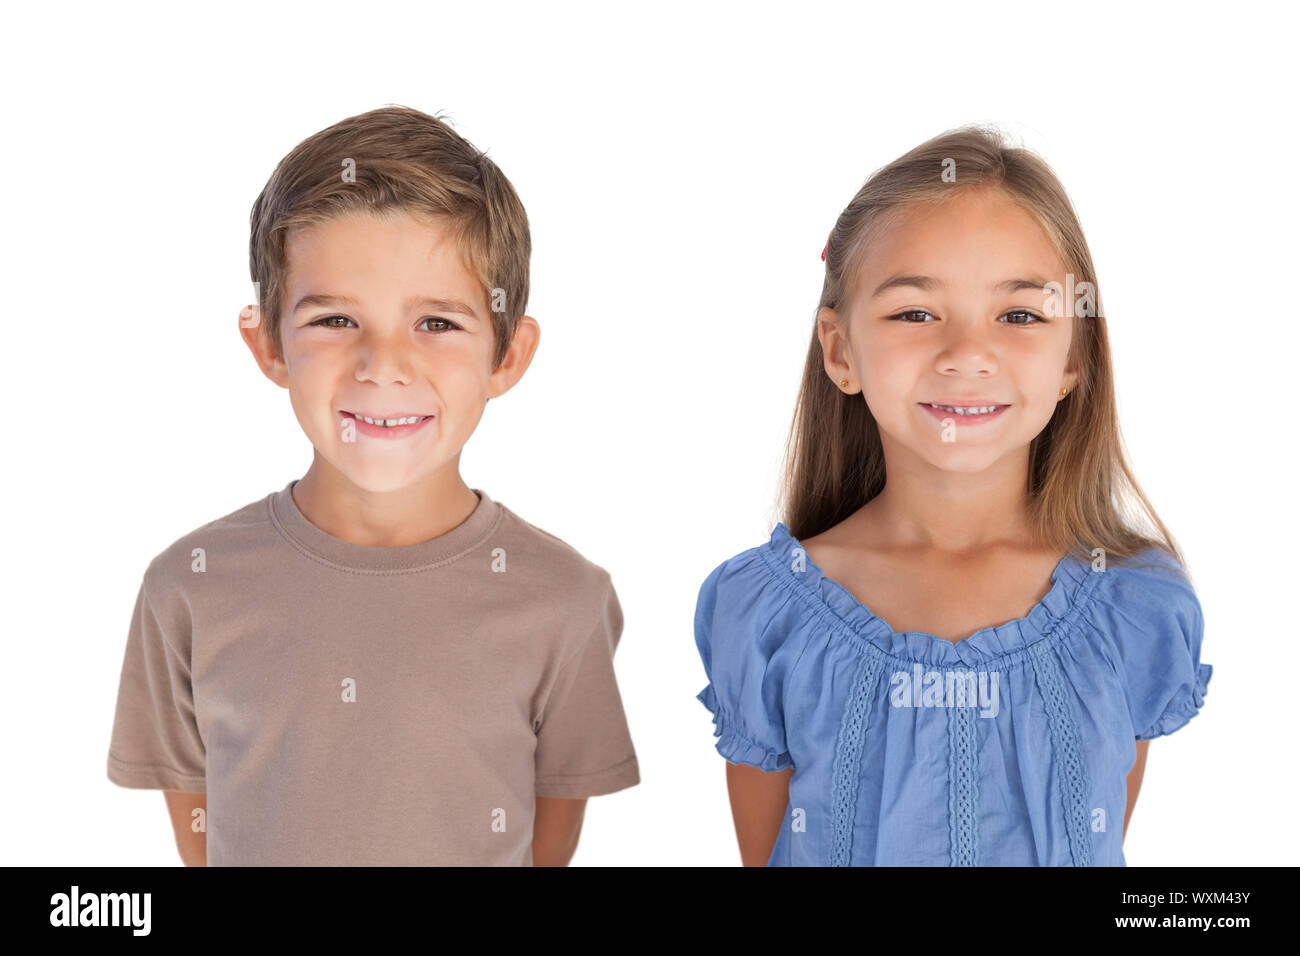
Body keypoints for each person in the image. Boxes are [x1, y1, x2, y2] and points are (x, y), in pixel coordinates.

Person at [105, 105, 639, 866]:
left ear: (508, 357)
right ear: (268, 345)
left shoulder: (566, 598)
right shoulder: (186, 590)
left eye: (437, 324)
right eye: (334, 320)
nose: (384, 364)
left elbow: (547, 838)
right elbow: (202, 830)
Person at [693, 125, 1211, 866]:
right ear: (841, 352)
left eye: (1021, 315)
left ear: (1074, 359)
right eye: (914, 312)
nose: (968, 353)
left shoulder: (1134, 607)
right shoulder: (766, 613)